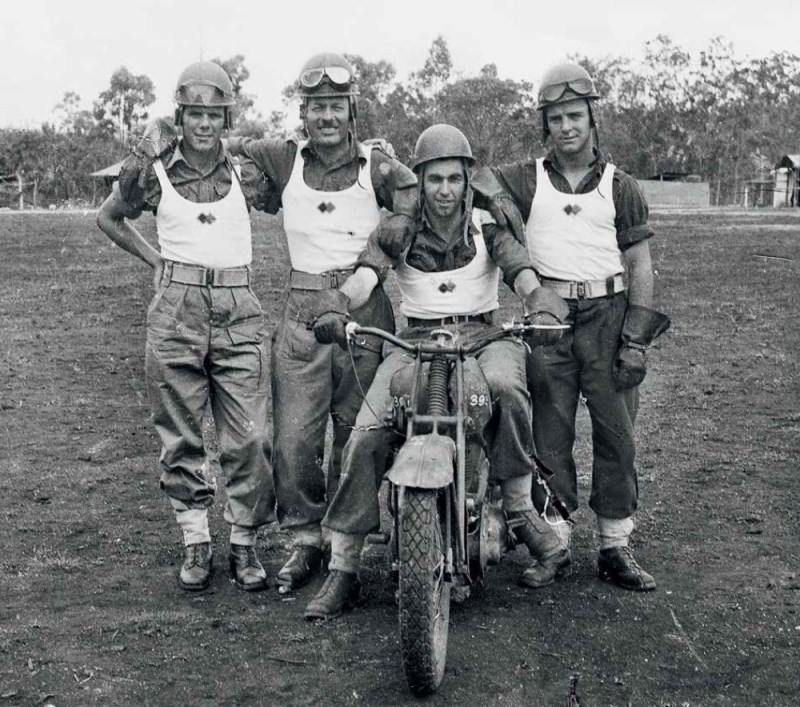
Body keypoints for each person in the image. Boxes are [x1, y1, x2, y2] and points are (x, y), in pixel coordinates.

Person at [301, 123, 573, 621]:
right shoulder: (398, 230)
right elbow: (366, 277)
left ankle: (519, 509)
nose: (444, 190)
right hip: (415, 342)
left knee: (508, 390)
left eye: (454, 179)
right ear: (419, 182)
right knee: (368, 430)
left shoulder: (487, 224)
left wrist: (540, 301)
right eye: (434, 180)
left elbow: (519, 268)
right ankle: (343, 565)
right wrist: (338, 303)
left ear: (468, 181)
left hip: (483, 336)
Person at [222, 52, 422, 593]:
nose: (326, 117)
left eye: (336, 106)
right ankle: (304, 539)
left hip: (362, 304)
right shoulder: (286, 157)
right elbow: (229, 144)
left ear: (351, 110)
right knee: (293, 438)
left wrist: (381, 258)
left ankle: (344, 549)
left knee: (356, 431)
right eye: (316, 107)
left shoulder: (376, 165)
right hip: (302, 308)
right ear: (303, 112)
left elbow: (412, 196)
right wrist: (240, 162)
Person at [473, 62, 671, 592]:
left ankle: (615, 545)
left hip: (608, 313)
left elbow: (641, 265)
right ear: (545, 124)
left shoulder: (620, 185)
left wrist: (635, 340)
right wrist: (502, 218)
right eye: (555, 118)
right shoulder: (528, 176)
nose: (566, 127)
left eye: (575, 116)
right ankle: (555, 542)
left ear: (591, 119)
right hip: (549, 317)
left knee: (616, 432)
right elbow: (478, 182)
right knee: (551, 431)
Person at [96, 61, 275, 593]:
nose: (204, 124)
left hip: (238, 306)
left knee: (251, 435)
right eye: (194, 113)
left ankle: (244, 542)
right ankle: (196, 539)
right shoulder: (155, 172)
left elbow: (303, 192)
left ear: (226, 118)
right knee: (179, 433)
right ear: (181, 117)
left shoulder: (247, 173)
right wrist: (155, 262)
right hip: (176, 309)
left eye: (213, 114)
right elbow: (109, 216)